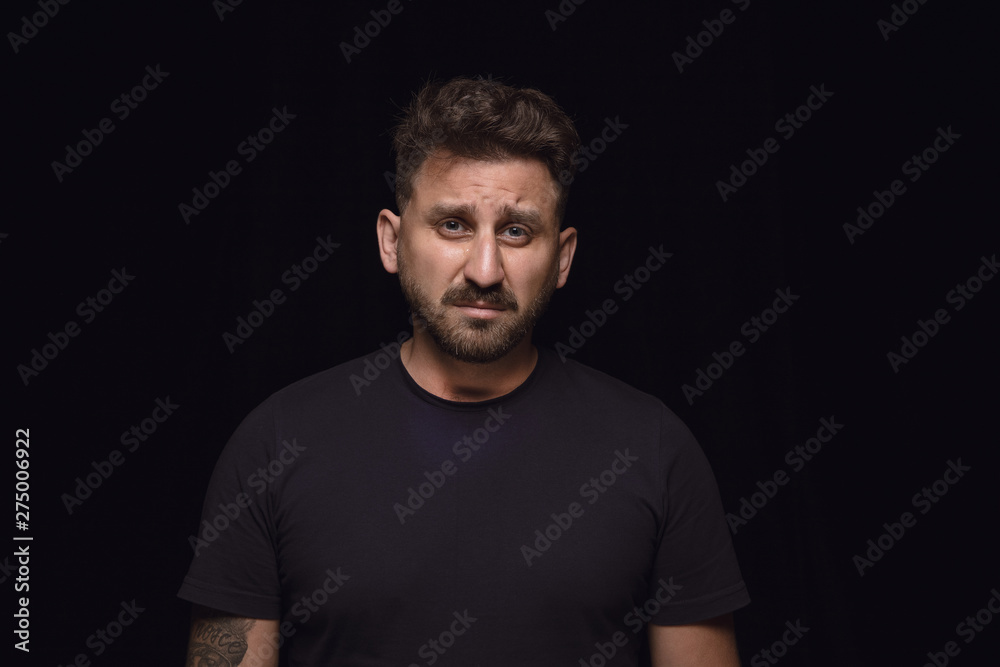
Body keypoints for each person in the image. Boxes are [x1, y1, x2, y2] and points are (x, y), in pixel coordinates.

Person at [179, 76, 750, 666]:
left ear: (562, 257)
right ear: (391, 241)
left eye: (516, 231)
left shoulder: (654, 450)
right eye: (453, 225)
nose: (484, 270)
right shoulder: (275, 444)